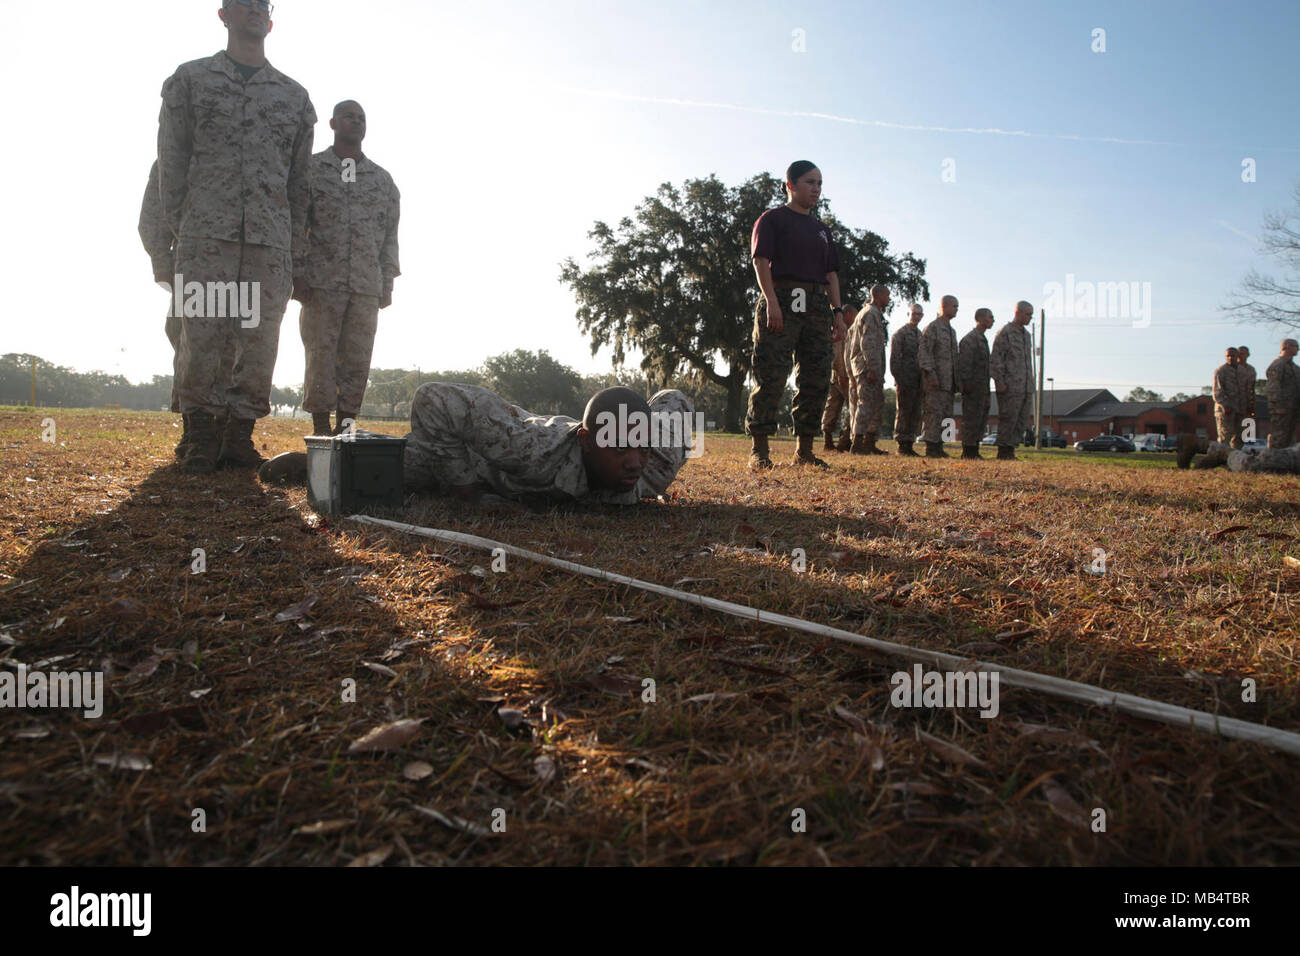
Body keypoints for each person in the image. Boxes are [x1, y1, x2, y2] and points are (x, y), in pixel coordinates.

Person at [157, 0, 315, 472]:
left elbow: (299, 182)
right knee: (201, 334)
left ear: (270, 20)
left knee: (259, 339)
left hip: (269, 241)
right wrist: (180, 226)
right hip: (206, 231)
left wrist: (294, 246)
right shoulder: (190, 80)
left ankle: (238, 435)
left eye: (261, 5)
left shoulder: (294, 97)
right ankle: (200, 433)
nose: (253, 10)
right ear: (223, 14)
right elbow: (172, 159)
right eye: (242, 2)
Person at [260, 385, 697, 507]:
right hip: (475, 459)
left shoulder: (656, 462)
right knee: (385, 467)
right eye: (619, 449)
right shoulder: (531, 449)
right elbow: (435, 400)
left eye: (640, 447)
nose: (634, 462)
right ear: (586, 442)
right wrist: (465, 490)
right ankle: (316, 458)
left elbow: (676, 399)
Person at [300, 100, 401, 437]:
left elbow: (389, 237)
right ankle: (320, 429)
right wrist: (297, 273)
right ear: (332, 123)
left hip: (365, 286)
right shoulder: (310, 170)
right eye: (348, 117)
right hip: (321, 283)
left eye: (361, 118)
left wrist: (387, 281)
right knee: (321, 356)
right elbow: (297, 224)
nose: (356, 123)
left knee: (357, 361)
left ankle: (346, 429)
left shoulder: (383, 181)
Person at [745, 161, 847, 470]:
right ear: (790, 185)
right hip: (782, 300)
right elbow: (761, 262)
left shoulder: (821, 230)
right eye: (809, 182)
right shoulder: (772, 220)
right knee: (772, 375)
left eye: (819, 183)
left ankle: (804, 450)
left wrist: (838, 313)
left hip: (816, 307)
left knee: (815, 378)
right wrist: (771, 301)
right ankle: (759, 450)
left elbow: (830, 274)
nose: (816, 188)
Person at [139, 162, 235, 459]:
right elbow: (154, 213)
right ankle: (195, 430)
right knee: (191, 345)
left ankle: (227, 433)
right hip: (195, 263)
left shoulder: (258, 148)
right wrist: (162, 264)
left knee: (236, 348)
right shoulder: (185, 149)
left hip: (246, 267)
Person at [846, 285, 890, 455]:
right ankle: (857, 443)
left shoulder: (872, 313)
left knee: (875, 404)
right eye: (887, 295)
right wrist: (871, 367)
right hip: (866, 368)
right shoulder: (870, 313)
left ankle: (869, 442)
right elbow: (868, 342)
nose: (889, 298)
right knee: (865, 404)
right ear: (877, 295)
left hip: (870, 367)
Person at [989, 300, 1035, 461]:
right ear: (1018, 313)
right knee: (1009, 418)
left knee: (1021, 420)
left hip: (1026, 385)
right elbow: (996, 359)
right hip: (1010, 386)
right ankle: (1003, 451)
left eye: (1031, 314)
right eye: (1028, 314)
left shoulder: (1027, 335)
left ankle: (1011, 449)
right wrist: (999, 381)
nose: (1030, 317)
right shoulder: (1005, 332)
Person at [918, 296, 960, 459]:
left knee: (945, 415)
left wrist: (957, 380)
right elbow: (924, 353)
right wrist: (931, 374)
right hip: (935, 381)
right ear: (944, 306)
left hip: (948, 382)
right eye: (954, 306)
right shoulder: (933, 327)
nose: (956, 309)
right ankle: (931, 447)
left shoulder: (951, 330)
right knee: (933, 414)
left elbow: (954, 358)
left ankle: (940, 447)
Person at [958, 308, 994, 459]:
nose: (992, 320)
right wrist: (966, 382)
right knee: (971, 419)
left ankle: (974, 449)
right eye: (990, 317)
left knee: (980, 418)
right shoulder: (970, 339)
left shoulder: (982, 339)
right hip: (972, 387)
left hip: (982, 387)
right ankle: (968, 450)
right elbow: (965, 363)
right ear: (980, 319)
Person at [890, 302, 924, 456]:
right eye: (914, 313)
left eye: (919, 314)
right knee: (903, 412)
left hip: (918, 381)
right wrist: (899, 380)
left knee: (915, 413)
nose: (916, 316)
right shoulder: (900, 334)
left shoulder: (921, 335)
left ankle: (910, 443)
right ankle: (901, 444)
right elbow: (895, 360)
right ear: (908, 314)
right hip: (905, 380)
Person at [821, 316, 852, 452]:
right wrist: (841, 373)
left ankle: (828, 440)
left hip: (836, 377)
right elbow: (838, 353)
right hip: (842, 376)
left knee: (831, 408)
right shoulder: (843, 332)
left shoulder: (838, 331)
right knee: (853, 407)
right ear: (849, 315)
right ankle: (844, 440)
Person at [1265, 338, 1299, 448]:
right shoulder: (1278, 364)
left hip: (1293, 408)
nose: (1298, 349)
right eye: (1296, 346)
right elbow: (1273, 386)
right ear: (1287, 346)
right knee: (1279, 436)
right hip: (1281, 408)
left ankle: (1285, 463)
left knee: (1290, 437)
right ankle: (1272, 461)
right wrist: (1278, 405)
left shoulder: (1295, 368)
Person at [1212, 347, 1242, 447]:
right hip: (1226, 410)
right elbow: (1217, 391)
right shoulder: (1221, 371)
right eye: (1228, 356)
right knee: (1225, 436)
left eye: (1232, 355)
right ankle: (1221, 460)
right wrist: (1225, 405)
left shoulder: (1242, 371)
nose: (1230, 358)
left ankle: (1236, 459)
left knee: (1239, 437)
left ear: (1238, 356)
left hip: (1240, 409)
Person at [1236, 345, 1257, 438]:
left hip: (1247, 406)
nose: (1240, 356)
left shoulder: (1251, 370)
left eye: (1243, 353)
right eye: (1239, 354)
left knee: (1247, 433)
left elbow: (1252, 388)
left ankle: (1246, 451)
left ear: (1248, 354)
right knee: (1234, 433)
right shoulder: (1232, 368)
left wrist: (1252, 405)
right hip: (1235, 405)